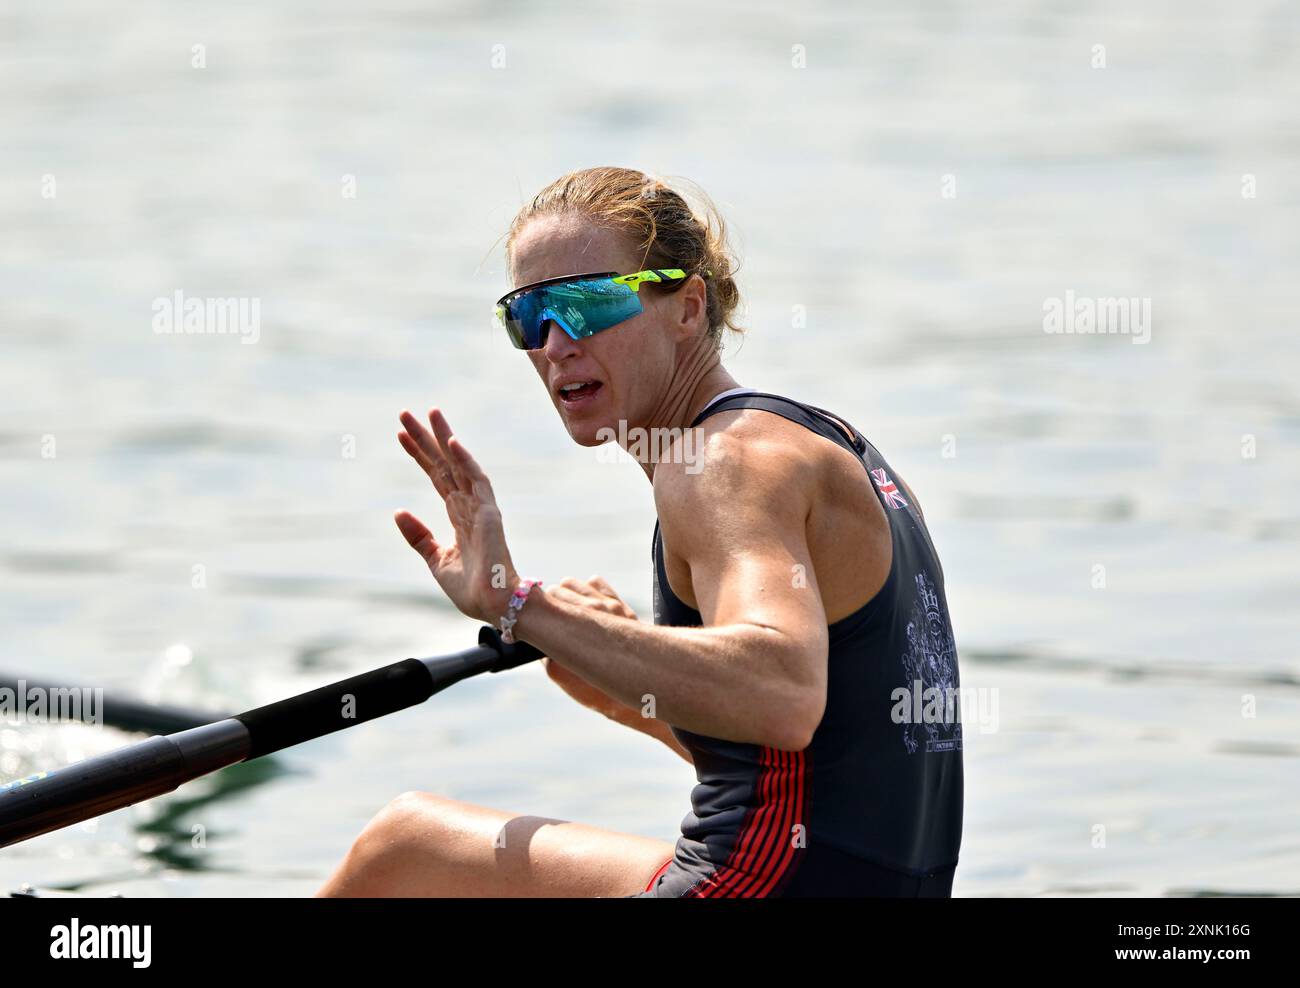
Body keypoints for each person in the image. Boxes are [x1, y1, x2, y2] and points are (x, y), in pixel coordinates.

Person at [316, 167, 963, 898]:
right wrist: (618, 684)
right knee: (409, 846)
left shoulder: (717, 463)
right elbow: (820, 765)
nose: (556, 343)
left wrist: (520, 605)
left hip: (749, 887)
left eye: (588, 304)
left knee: (401, 845)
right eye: (529, 316)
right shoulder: (822, 443)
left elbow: (781, 698)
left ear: (688, 308)